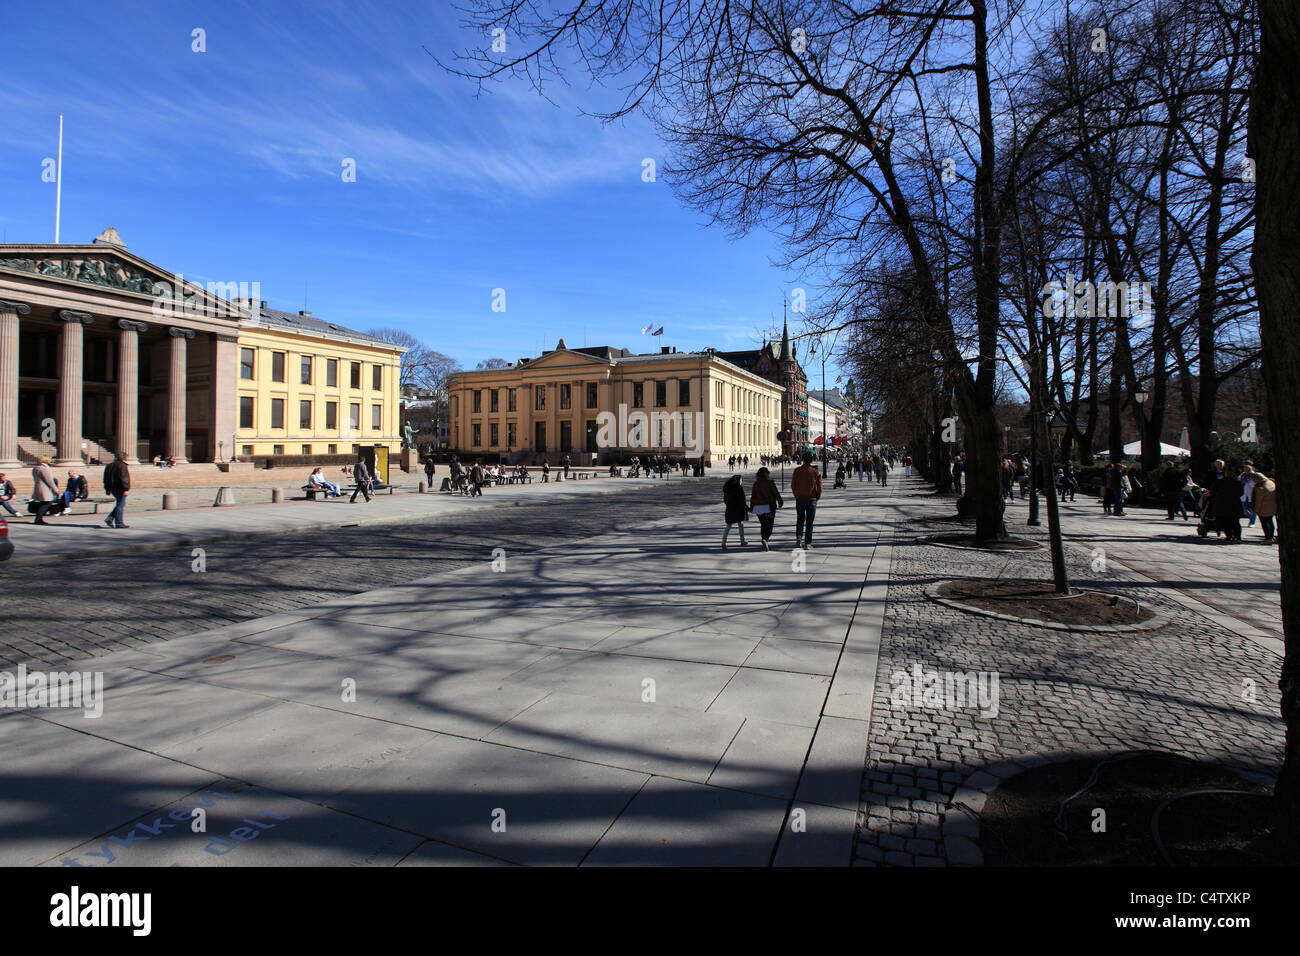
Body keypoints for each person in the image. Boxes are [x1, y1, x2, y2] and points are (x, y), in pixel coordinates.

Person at [791, 451, 823, 550]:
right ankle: (808, 543)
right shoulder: (815, 472)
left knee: (800, 519)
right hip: (811, 499)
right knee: (810, 522)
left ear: (803, 460)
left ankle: (799, 538)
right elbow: (820, 487)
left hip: (800, 499)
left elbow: (793, 485)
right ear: (811, 460)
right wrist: (817, 496)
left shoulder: (797, 471)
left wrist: (796, 494)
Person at [750, 466, 784, 551]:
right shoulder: (770, 483)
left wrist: (751, 506)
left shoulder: (756, 484)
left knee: (763, 524)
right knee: (769, 525)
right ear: (767, 474)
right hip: (769, 506)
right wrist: (780, 501)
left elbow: (753, 496)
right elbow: (776, 493)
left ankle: (764, 539)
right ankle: (765, 539)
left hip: (758, 507)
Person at [1209, 463, 1245, 542]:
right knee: (1232, 522)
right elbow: (1241, 493)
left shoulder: (1221, 482)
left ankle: (1232, 536)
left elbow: (1213, 491)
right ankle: (1234, 536)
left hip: (1224, 505)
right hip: (1231, 505)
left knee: (1228, 522)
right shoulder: (1236, 483)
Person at [1245, 465, 1278, 543]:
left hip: (1264, 507)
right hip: (1272, 506)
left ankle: (1268, 538)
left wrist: (1255, 510)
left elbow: (1258, 501)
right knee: (1270, 521)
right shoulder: (1270, 482)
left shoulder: (1260, 488)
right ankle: (1271, 536)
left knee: (1265, 522)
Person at [103, 450, 131, 528]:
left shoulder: (109, 466)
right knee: (120, 505)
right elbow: (124, 478)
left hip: (113, 488)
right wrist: (126, 489)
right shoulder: (122, 466)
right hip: (121, 488)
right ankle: (119, 522)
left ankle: (110, 518)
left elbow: (105, 479)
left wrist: (107, 489)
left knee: (120, 504)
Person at [721, 474, 750, 549]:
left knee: (729, 525)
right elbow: (742, 501)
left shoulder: (727, 489)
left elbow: (725, 500)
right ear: (738, 481)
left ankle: (723, 542)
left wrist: (730, 505)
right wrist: (748, 509)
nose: (742, 481)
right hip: (738, 509)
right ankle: (742, 541)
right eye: (741, 480)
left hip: (730, 509)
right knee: (741, 525)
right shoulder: (739, 489)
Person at [31, 455, 60, 524]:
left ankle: (39, 518)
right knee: (47, 502)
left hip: (38, 487)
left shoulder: (36, 468)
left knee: (43, 503)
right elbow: (49, 480)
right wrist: (56, 489)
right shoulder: (45, 469)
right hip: (44, 488)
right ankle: (38, 518)